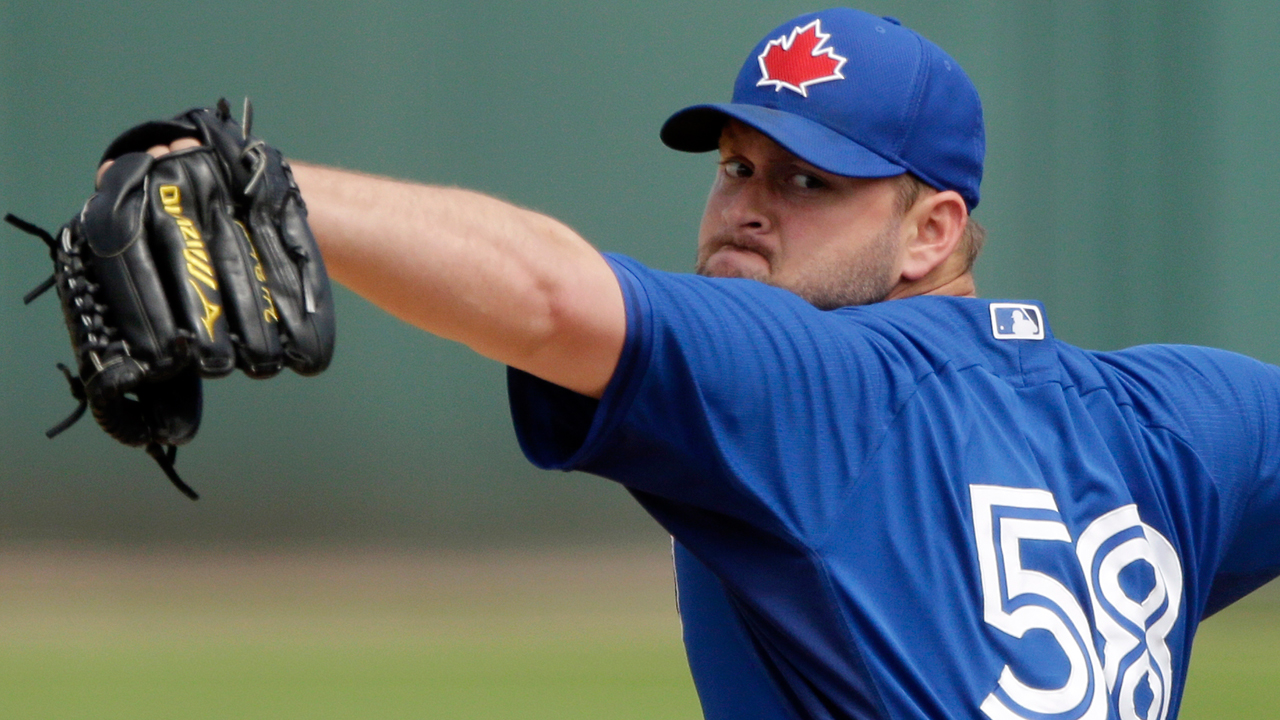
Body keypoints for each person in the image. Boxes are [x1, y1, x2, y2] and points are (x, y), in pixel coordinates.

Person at [102, 7, 1280, 720]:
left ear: (931, 231)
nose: (749, 209)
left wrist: (257, 191)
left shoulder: (813, 381)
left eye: (809, 180)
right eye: (734, 166)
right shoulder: (1173, 420)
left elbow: (549, 293)